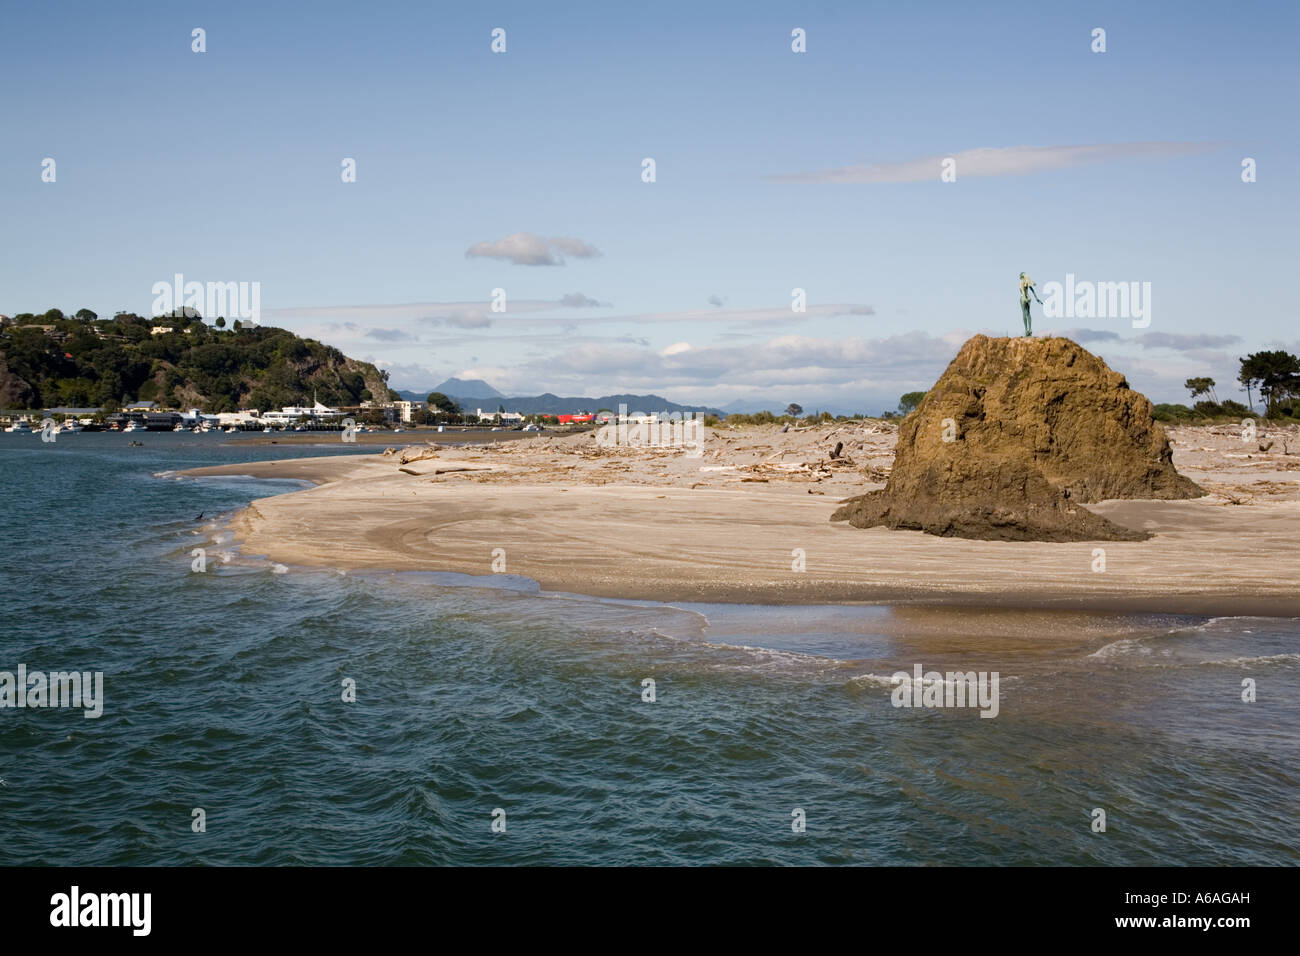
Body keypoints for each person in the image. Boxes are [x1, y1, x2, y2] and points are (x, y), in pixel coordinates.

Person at [1019, 272, 1042, 337]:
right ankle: (1029, 329)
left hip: (1023, 298)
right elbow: (1032, 290)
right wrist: (1036, 298)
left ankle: (1027, 330)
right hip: (1028, 298)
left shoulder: (1021, 282)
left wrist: (1024, 297)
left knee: (1024, 313)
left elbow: (1022, 290)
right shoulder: (1026, 282)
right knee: (1028, 313)